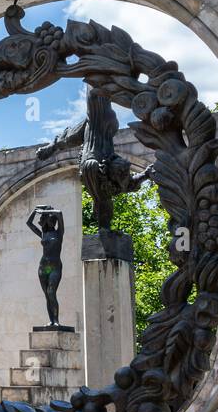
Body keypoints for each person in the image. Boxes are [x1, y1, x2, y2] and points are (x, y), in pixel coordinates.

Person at [37, 86, 152, 231]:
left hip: (94, 161)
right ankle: (99, 78)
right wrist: (146, 174)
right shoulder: (115, 182)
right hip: (99, 160)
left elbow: (74, 135)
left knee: (95, 109)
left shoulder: (105, 184)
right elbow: (130, 183)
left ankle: (98, 78)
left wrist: (53, 146)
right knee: (97, 108)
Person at [26, 205, 65, 328]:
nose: (50, 222)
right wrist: (35, 210)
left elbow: (59, 212)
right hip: (43, 267)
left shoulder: (59, 233)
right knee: (47, 295)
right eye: (48, 219)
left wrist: (45, 210)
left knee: (51, 292)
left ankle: (56, 320)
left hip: (55, 267)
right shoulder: (44, 234)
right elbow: (29, 223)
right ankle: (51, 321)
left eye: (51, 219)